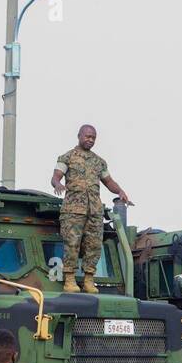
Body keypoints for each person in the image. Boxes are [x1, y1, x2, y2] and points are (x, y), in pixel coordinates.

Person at [51, 124, 132, 295]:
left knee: (94, 245)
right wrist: (58, 183)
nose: (90, 140)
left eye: (93, 137)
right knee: (72, 244)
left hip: (94, 211)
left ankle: (89, 279)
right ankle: (70, 279)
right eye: (87, 136)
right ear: (79, 136)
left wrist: (120, 191)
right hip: (73, 210)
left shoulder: (99, 162)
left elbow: (109, 181)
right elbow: (56, 176)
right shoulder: (67, 157)